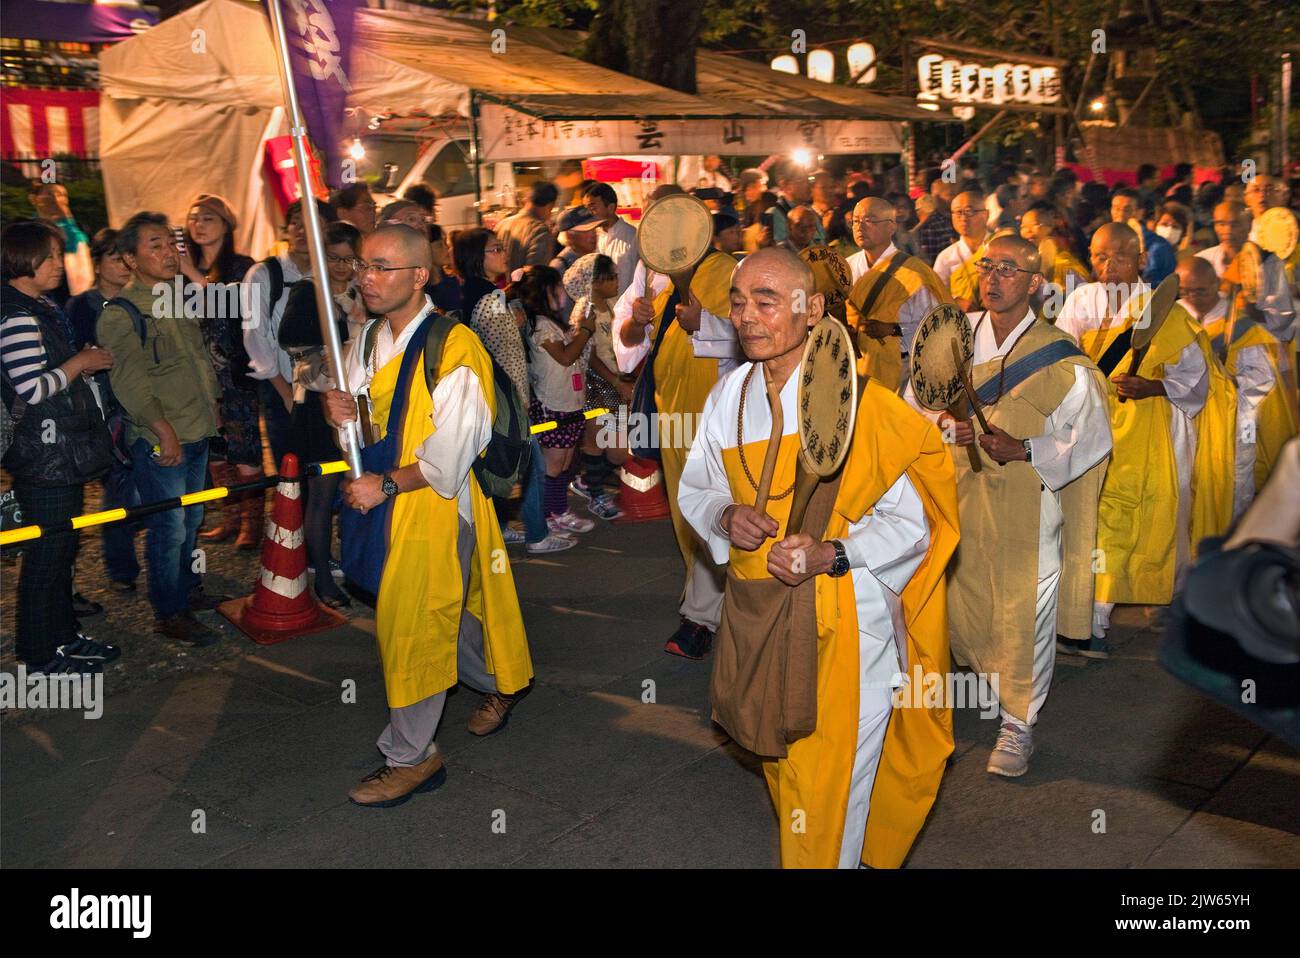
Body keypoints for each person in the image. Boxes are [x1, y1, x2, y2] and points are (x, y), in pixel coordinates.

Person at [678, 246, 958, 868]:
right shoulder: (730, 395)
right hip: (757, 611)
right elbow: (697, 483)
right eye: (739, 302)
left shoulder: (872, 408)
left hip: (847, 622)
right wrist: (725, 515)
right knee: (784, 767)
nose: (747, 316)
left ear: (815, 310)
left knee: (828, 783)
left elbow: (915, 525)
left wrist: (835, 552)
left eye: (767, 301)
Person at [322, 224, 534, 807]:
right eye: (364, 265)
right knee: (451, 614)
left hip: (436, 505)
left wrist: (385, 484)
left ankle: (411, 756)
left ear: (420, 276)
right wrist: (341, 411)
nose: (367, 277)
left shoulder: (454, 344)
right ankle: (498, 683)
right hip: (384, 500)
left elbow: (453, 452)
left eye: (383, 267)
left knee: (410, 623)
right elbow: (368, 433)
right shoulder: (364, 343)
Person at [907, 235, 1112, 777]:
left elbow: (1091, 436)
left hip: (1028, 497)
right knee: (959, 596)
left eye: (1009, 269)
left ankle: (1018, 724)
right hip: (956, 493)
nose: (994, 278)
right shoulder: (951, 338)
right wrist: (946, 428)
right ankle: (948, 706)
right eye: (987, 267)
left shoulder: (1060, 356)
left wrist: (1024, 448)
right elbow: (916, 405)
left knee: (1025, 609)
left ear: (1034, 283)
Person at [1056, 222, 1235, 652]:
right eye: (1099, 255)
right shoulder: (1080, 300)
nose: (1108, 265)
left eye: (1119, 255)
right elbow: (1058, 360)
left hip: (1147, 428)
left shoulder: (1163, 310)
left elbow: (1195, 381)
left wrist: (1152, 386)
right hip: (1090, 427)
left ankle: (1099, 614)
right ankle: (1087, 615)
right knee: (1094, 518)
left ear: (1140, 259)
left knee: (1131, 517)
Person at [612, 184, 740, 660]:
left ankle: (701, 618)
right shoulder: (666, 282)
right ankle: (712, 608)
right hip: (675, 419)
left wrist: (704, 323)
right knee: (691, 516)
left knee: (710, 513)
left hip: (713, 417)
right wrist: (636, 322)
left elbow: (755, 337)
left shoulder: (725, 270)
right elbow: (631, 344)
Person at [98, 212, 225, 645]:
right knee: (168, 527)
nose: (169, 253)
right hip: (160, 437)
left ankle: (186, 592)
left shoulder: (177, 298)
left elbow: (198, 361)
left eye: (171, 244)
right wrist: (161, 429)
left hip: (196, 428)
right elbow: (129, 384)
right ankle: (168, 612)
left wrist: (213, 410)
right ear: (130, 259)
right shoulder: (121, 314)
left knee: (192, 517)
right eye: (156, 245)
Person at [2, 220, 119, 674]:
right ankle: (38, 654)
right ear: (23, 260)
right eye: (50, 256)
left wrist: (77, 366)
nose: (58, 264)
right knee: (46, 558)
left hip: (55, 451)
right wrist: (80, 362)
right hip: (42, 456)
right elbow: (30, 389)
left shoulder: (37, 306)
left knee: (61, 551)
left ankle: (64, 638)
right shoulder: (15, 315)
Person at [275, 220, 366, 610]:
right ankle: (323, 579)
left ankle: (356, 568)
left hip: (359, 406)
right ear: (319, 256)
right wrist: (344, 348)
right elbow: (293, 346)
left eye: (350, 259)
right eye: (334, 257)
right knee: (322, 497)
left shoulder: (364, 292)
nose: (343, 266)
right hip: (318, 408)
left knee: (356, 492)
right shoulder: (309, 292)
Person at [1178, 256, 1297, 515]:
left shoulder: (1241, 325)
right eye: (1185, 291)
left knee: (1234, 483)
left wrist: (1225, 384)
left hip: (1238, 423)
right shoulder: (1175, 316)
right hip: (1189, 421)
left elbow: (1261, 383)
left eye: (1200, 290)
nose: (1192, 297)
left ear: (1216, 283)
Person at [179, 193, 261, 551]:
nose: (199, 224)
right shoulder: (180, 270)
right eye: (194, 218)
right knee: (214, 451)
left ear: (227, 226)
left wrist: (190, 272)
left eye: (209, 218)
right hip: (197, 374)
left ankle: (253, 524)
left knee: (244, 448)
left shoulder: (242, 267)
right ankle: (230, 518)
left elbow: (229, 304)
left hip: (234, 372)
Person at [65, 228, 140, 591]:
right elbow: (73, 358)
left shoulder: (143, 300)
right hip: (105, 410)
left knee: (153, 486)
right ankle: (121, 569)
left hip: (145, 405)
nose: (125, 265)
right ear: (97, 262)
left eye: (128, 257)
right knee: (119, 489)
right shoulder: (82, 306)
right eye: (115, 257)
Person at [244, 199, 327, 475]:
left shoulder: (331, 273)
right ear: (287, 229)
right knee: (290, 473)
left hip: (325, 387)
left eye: (312, 225)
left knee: (325, 471)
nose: (303, 231)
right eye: (296, 224)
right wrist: (285, 392)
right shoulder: (264, 273)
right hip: (282, 387)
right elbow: (255, 336)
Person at [519, 265, 599, 535]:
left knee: (564, 463)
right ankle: (547, 515)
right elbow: (565, 357)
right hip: (553, 404)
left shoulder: (552, 323)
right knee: (552, 464)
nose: (562, 294)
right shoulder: (541, 326)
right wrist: (586, 331)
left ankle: (558, 510)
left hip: (569, 402)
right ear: (544, 292)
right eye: (557, 289)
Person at [844, 196, 951, 392]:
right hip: (857, 368)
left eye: (870, 220)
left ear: (891, 227)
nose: (860, 227)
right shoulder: (846, 268)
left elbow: (936, 326)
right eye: (856, 220)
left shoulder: (914, 272)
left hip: (902, 371)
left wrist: (893, 329)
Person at [564, 253, 626, 521]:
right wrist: (613, 380)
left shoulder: (615, 303)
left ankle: (587, 481)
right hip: (594, 383)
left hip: (616, 381)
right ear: (594, 281)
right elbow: (585, 354)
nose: (616, 281)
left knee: (618, 450)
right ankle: (596, 494)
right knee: (596, 439)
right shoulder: (585, 309)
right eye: (610, 277)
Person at [932, 190, 991, 309]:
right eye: (958, 212)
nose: (963, 218)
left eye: (969, 211)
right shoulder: (945, 257)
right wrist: (955, 302)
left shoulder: (1001, 246)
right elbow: (935, 296)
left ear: (986, 214)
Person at [581, 182, 638, 295]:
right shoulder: (593, 237)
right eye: (586, 209)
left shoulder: (632, 236)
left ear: (610, 207)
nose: (589, 214)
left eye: (593, 208)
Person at [1110, 187, 1175, 285]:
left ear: (1140, 213)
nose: (1120, 215)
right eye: (1116, 209)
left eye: (1127, 210)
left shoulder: (1158, 247)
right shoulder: (1107, 240)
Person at [496, 182, 557, 272]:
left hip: (502, 286)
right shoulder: (539, 231)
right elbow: (536, 273)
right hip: (524, 285)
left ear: (527, 200)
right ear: (549, 206)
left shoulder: (502, 224)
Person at [763, 163, 824, 248]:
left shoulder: (810, 211)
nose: (808, 185)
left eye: (808, 179)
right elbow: (781, 251)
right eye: (802, 180)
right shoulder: (774, 214)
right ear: (785, 185)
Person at [915, 169, 958, 265]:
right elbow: (931, 262)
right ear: (936, 198)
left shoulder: (958, 218)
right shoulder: (929, 226)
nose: (956, 198)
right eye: (950, 194)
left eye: (956, 193)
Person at [424, 223, 461, 315]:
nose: (446, 248)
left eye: (445, 243)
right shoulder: (420, 292)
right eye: (440, 245)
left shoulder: (453, 282)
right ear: (424, 249)